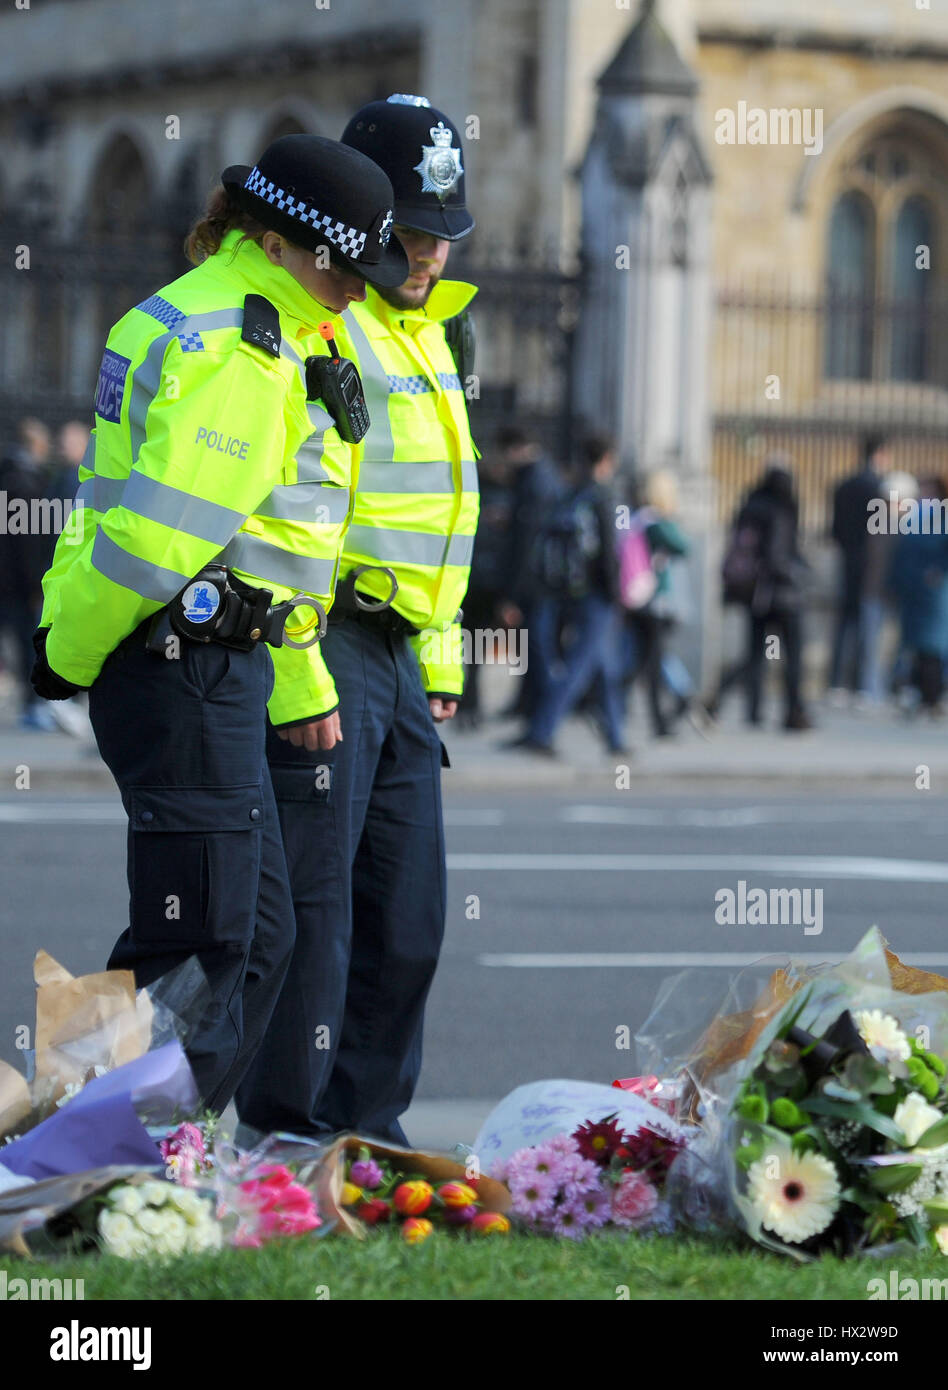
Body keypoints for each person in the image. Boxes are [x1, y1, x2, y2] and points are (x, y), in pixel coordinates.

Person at [31, 134, 408, 1113]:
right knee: (198, 936)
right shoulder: (241, 349)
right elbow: (159, 544)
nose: (360, 292)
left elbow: (263, 549)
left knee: (255, 930)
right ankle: (105, 1164)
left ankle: (144, 1153)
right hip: (178, 666)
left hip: (204, 662)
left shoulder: (240, 321)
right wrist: (67, 652)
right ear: (285, 243)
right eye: (347, 269)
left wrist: (298, 684)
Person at [235, 96, 479, 1144]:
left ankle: (368, 1132)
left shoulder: (435, 329)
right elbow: (277, 509)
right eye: (410, 230)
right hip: (325, 635)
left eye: (441, 231)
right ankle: (289, 1133)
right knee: (318, 918)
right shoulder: (320, 318)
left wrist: (443, 652)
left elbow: (441, 510)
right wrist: (297, 673)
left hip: (399, 651)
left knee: (409, 916)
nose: (428, 251)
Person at [516, 435, 626, 754]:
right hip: (598, 594)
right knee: (580, 665)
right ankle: (543, 730)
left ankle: (616, 738)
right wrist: (617, 594)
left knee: (606, 667)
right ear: (605, 458)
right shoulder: (603, 496)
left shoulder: (572, 494)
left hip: (570, 590)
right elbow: (608, 552)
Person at [736, 460, 812, 731]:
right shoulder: (781, 509)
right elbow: (778, 555)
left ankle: (753, 710)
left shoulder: (750, 505)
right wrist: (800, 574)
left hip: (754, 593)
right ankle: (793, 711)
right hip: (783, 596)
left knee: (757, 654)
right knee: (792, 655)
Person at [624, 469, 691, 738]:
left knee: (646, 658)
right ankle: (675, 705)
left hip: (639, 599)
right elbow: (683, 546)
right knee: (652, 659)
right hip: (654, 601)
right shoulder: (655, 523)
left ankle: (669, 709)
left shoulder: (636, 519)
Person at [0, 418, 57, 729]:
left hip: (7, 578)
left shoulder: (9, 475)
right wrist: (36, 580)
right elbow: (28, 540)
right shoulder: (25, 482)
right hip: (18, 582)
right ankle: (32, 706)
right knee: (25, 641)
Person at [828, 435, 890, 706]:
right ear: (881, 454)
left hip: (847, 561)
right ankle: (864, 687)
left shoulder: (844, 485)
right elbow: (881, 533)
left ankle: (836, 683)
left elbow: (835, 530)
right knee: (868, 626)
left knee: (844, 624)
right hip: (871, 565)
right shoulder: (877, 488)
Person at [889, 476, 948, 715]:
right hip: (913, 593)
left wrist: (938, 572)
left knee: (932, 647)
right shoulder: (914, 521)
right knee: (915, 646)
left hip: (934, 595)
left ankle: (931, 696)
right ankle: (917, 692)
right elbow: (901, 556)